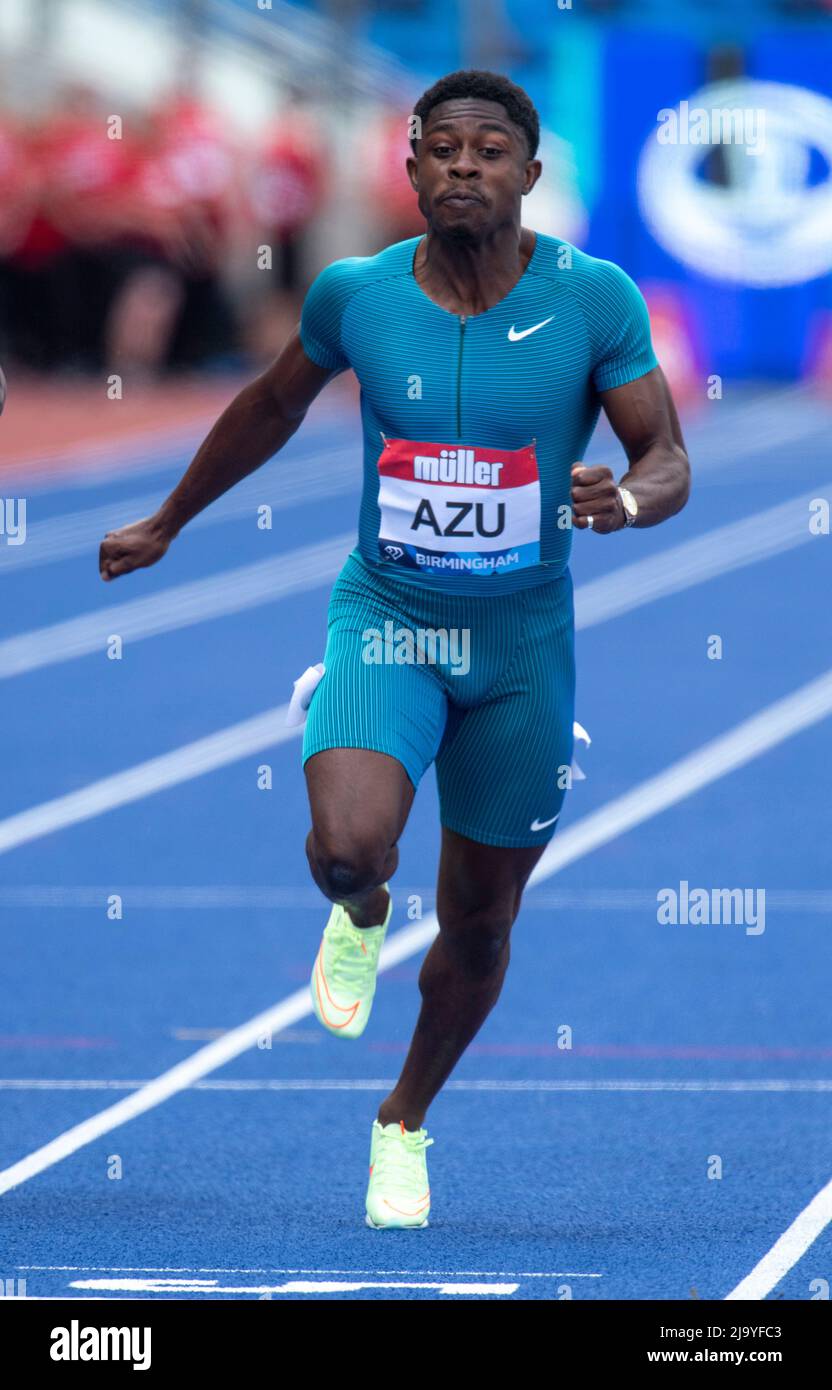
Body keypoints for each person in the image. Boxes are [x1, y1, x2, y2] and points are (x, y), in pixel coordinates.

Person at [99, 70, 690, 1230]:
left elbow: (665, 454)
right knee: (345, 848)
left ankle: (402, 1120)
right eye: (442, 149)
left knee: (478, 921)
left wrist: (623, 500)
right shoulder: (355, 294)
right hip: (389, 616)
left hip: (522, 644)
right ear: (410, 168)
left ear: (528, 173)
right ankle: (360, 906)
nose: (463, 167)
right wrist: (170, 517)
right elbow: (270, 405)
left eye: (489, 150)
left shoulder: (593, 299)